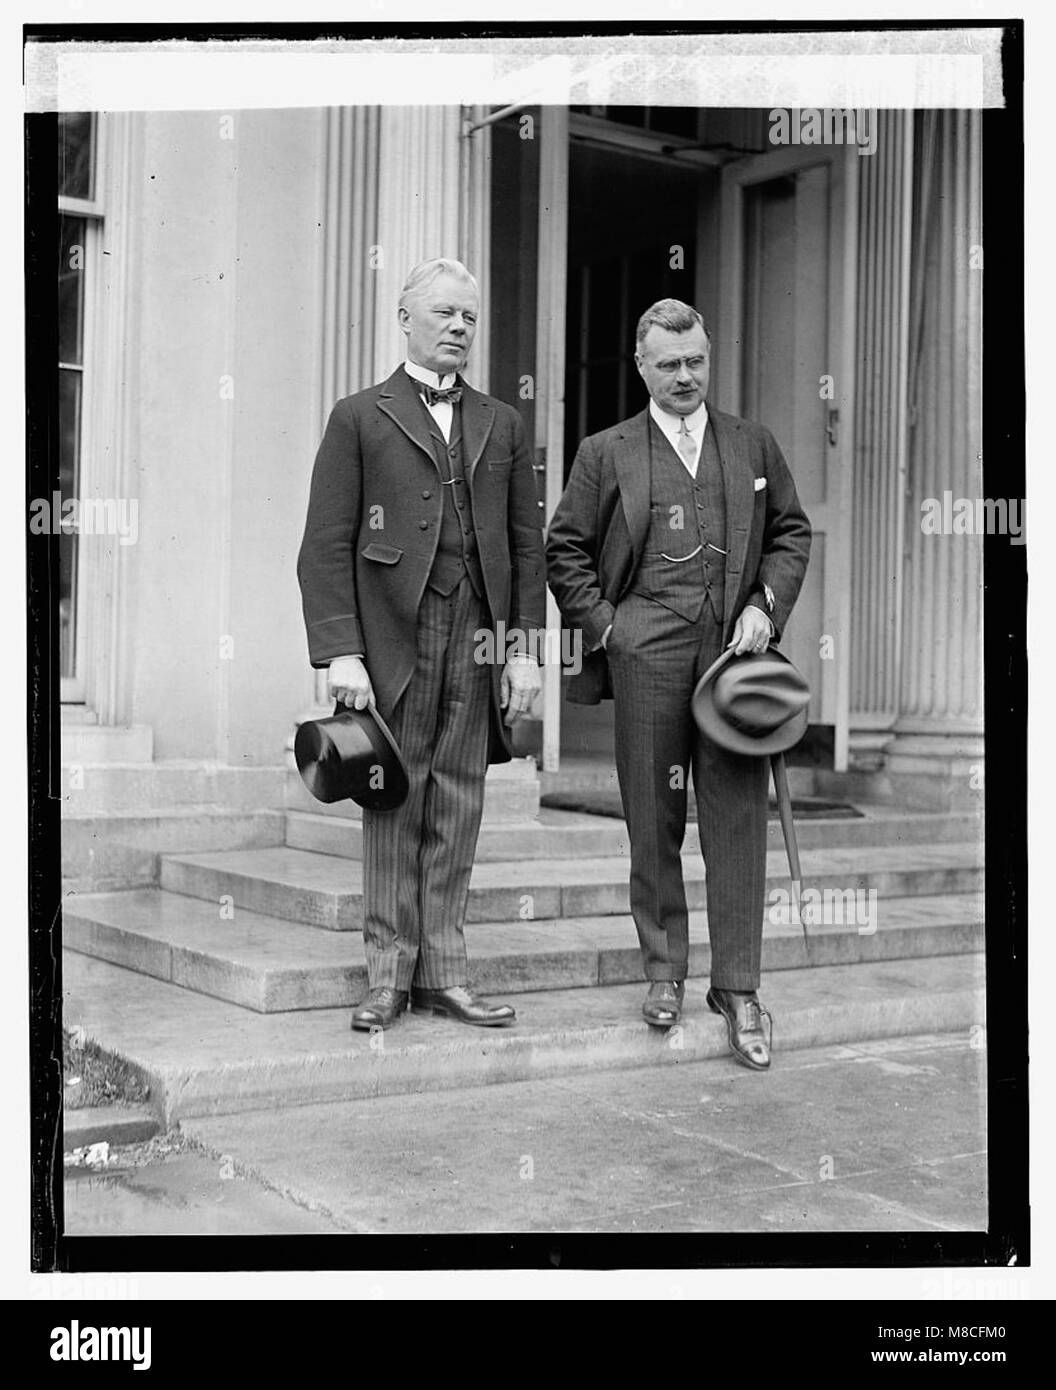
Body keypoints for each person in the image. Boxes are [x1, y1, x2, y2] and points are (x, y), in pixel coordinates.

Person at [545, 298, 811, 1069]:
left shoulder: (750, 442)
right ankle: (664, 969)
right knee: (651, 818)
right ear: (642, 368)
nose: (686, 375)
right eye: (669, 364)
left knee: (736, 818)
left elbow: (789, 532)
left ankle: (738, 987)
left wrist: (765, 607)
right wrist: (608, 629)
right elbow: (565, 548)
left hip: (733, 654)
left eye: (695, 360)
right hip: (646, 652)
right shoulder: (606, 452)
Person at [298, 257, 545, 1031]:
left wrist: (525, 648)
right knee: (391, 797)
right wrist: (342, 652)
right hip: (393, 638)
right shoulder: (359, 416)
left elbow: (526, 544)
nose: (459, 328)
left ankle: (444, 973)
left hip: (478, 635)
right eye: (443, 313)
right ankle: (386, 977)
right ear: (404, 319)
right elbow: (325, 544)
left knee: (461, 799)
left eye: (469, 317)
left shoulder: (503, 422)